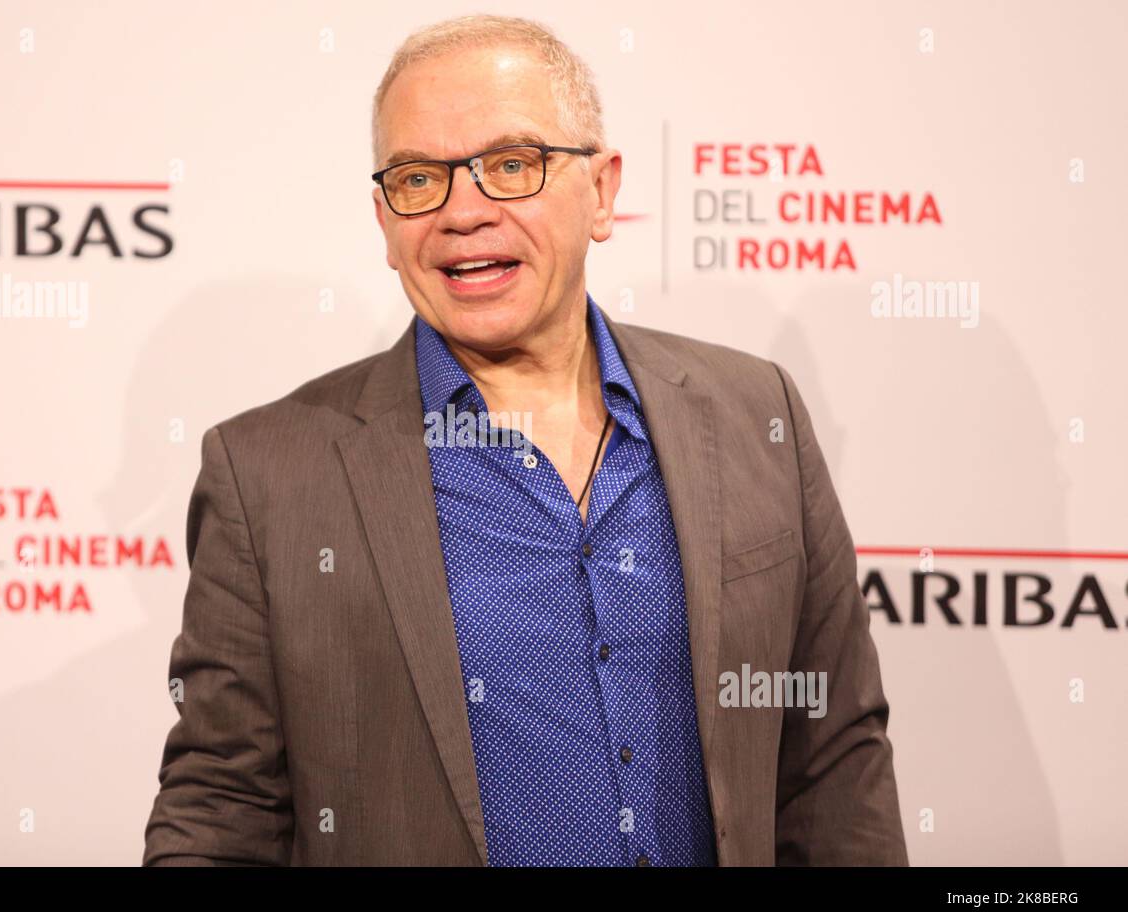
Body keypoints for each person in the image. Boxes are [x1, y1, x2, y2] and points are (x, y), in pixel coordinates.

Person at [142, 14, 908, 866]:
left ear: (603, 190)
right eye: (418, 177)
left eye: (512, 165)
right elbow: (222, 812)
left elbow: (835, 760)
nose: (463, 212)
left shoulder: (756, 415)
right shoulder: (270, 478)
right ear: (385, 221)